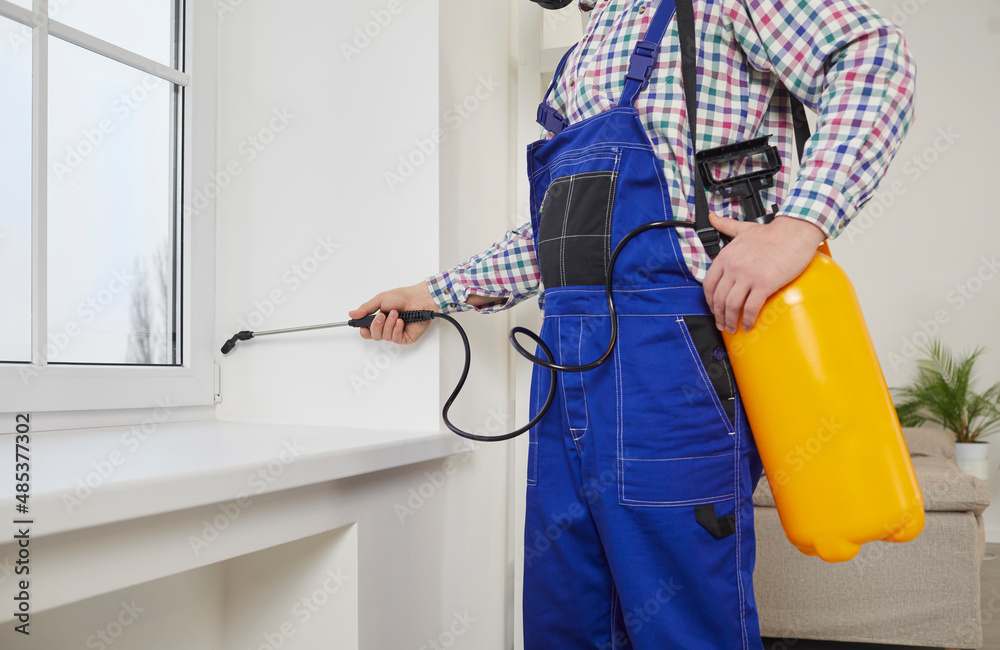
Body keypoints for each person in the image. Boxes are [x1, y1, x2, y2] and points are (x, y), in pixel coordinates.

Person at [350, 0, 915, 646]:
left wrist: (797, 225)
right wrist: (433, 295)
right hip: (563, 370)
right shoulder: (584, 55)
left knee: (682, 623)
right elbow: (552, 238)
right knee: (567, 610)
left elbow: (876, 58)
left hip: (671, 367)